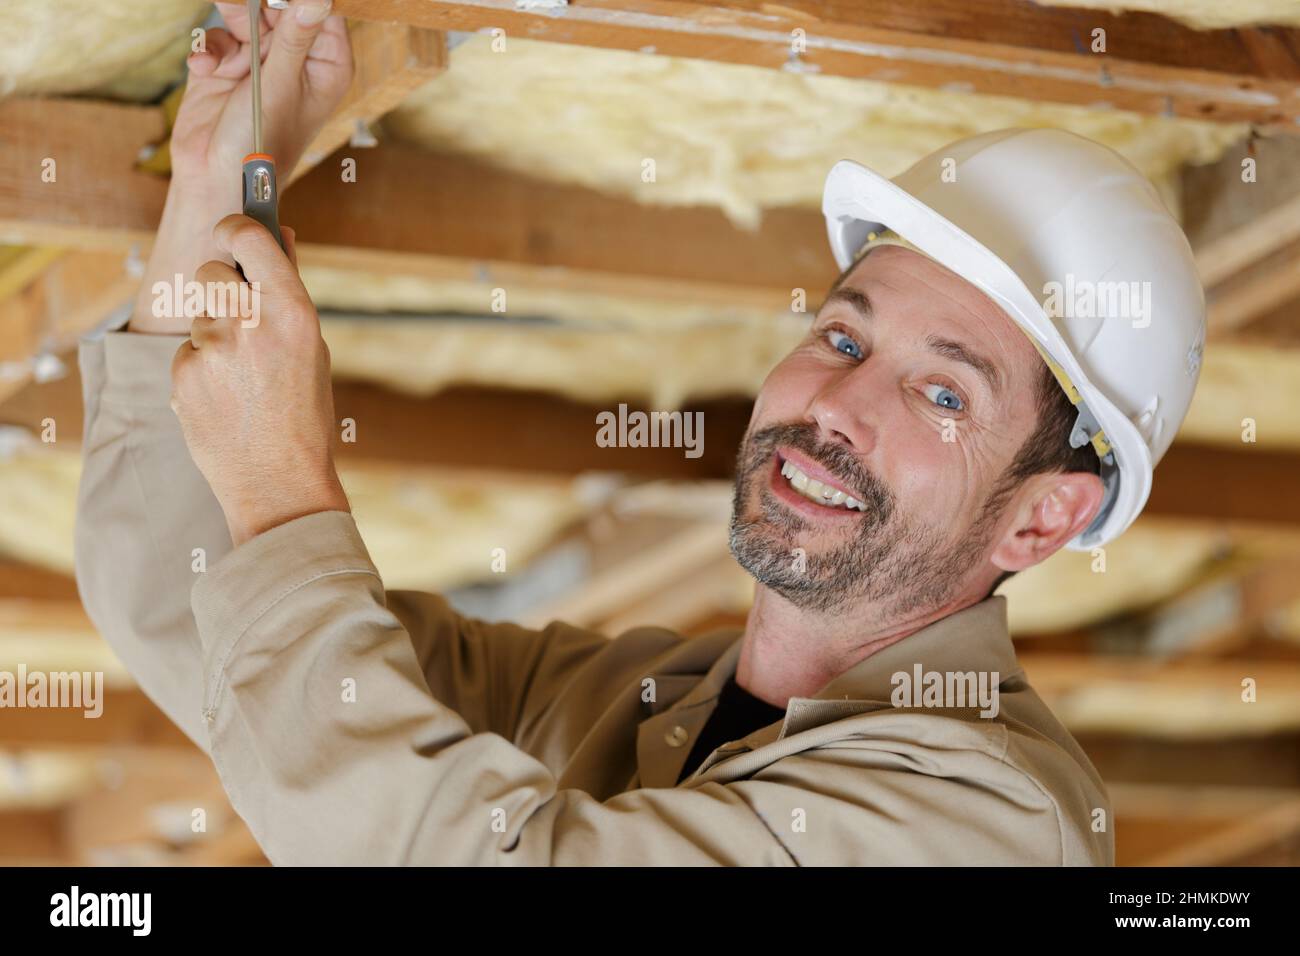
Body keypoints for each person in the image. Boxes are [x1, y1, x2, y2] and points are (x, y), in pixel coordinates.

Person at [75, 0, 1205, 865]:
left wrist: (284, 479)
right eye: (846, 339)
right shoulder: (629, 700)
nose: (834, 410)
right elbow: (200, 612)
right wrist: (212, 196)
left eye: (943, 394)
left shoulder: (987, 816)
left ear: (1042, 513)